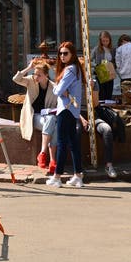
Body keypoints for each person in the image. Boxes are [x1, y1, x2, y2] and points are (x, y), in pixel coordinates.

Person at [46, 41, 85, 189]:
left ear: (72, 54)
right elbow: (62, 90)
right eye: (60, 53)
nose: (62, 56)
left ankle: (57, 177)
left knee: (62, 143)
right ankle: (78, 176)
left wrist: (60, 89)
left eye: (65, 53)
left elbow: (57, 91)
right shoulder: (76, 69)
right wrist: (63, 90)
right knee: (73, 143)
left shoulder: (70, 70)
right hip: (72, 110)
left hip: (65, 110)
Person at [13, 59, 57, 173]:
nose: (36, 77)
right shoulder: (31, 81)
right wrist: (29, 68)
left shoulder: (53, 87)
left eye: (39, 75)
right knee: (52, 123)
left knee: (53, 122)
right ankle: (47, 156)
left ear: (46, 75)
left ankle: (49, 159)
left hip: (47, 118)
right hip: (33, 116)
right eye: (35, 74)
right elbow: (16, 79)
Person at [79, 80, 125, 178]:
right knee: (76, 130)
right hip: (77, 115)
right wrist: (81, 119)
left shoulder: (94, 82)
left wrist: (91, 89)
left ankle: (109, 165)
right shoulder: (73, 81)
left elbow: (95, 104)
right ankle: (78, 166)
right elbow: (70, 105)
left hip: (92, 114)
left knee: (107, 129)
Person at [90, 30, 116, 101]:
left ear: (110, 40)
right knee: (102, 93)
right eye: (103, 41)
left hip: (109, 72)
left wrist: (112, 65)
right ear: (100, 41)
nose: (105, 43)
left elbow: (115, 60)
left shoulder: (113, 49)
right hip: (100, 72)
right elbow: (89, 60)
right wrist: (96, 65)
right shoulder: (96, 49)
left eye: (107, 41)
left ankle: (108, 107)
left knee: (109, 92)